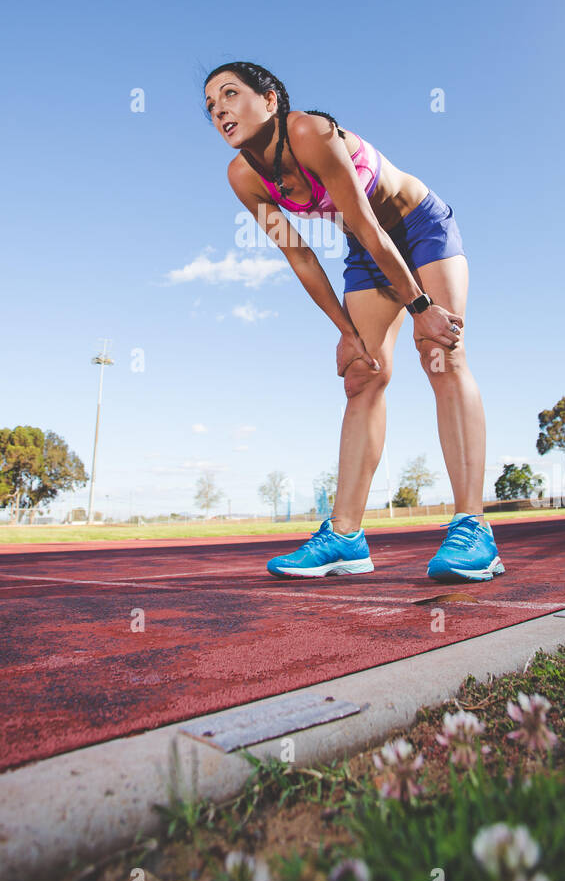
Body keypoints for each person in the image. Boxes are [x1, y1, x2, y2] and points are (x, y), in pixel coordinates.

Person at [203, 61, 505, 583]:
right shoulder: (242, 176)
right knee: (364, 374)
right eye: (210, 106)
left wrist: (420, 308)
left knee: (441, 354)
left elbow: (367, 221)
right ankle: (346, 538)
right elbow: (298, 255)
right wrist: (345, 331)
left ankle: (473, 528)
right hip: (367, 251)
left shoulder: (309, 132)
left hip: (418, 228)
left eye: (230, 94)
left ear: (270, 99)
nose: (219, 110)